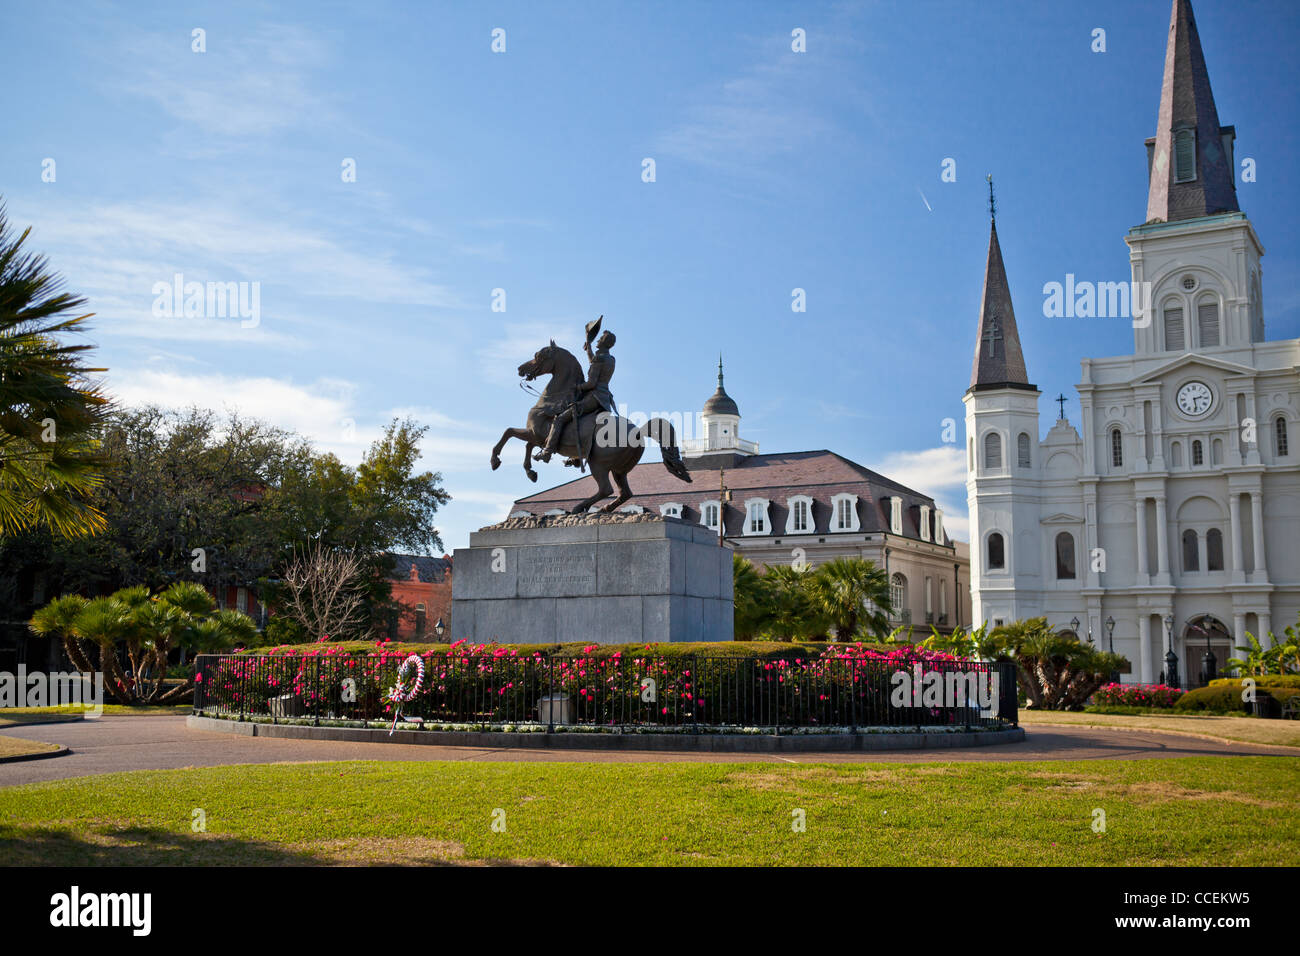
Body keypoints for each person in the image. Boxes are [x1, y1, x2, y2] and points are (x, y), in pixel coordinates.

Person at [537, 325, 616, 464]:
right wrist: (588, 349)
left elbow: (591, 384)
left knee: (560, 419)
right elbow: (594, 362)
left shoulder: (600, 359)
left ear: (604, 342)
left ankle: (547, 452)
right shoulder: (610, 359)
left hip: (593, 397)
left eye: (601, 338)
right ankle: (575, 457)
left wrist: (577, 386)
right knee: (579, 420)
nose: (598, 340)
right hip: (605, 399)